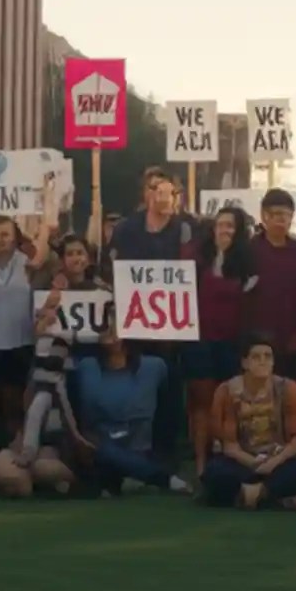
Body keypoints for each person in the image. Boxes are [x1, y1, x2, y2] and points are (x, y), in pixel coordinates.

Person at [106, 170, 191, 468]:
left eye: (169, 190)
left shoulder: (186, 229)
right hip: (134, 325)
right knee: (135, 387)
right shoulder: (127, 229)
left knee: (168, 388)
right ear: (146, 194)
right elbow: (113, 273)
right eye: (156, 189)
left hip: (173, 328)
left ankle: (166, 455)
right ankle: (133, 452)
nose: (163, 195)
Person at [0, 198, 52, 486]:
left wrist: (47, 205)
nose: (0, 239)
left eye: (5, 234)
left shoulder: (26, 263)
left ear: (15, 236)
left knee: (15, 408)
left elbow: (42, 253)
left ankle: (14, 462)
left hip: (19, 345)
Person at [201, 334, 296, 510]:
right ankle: (276, 497)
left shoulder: (288, 389)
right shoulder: (227, 391)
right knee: (214, 472)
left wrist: (273, 462)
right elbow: (229, 445)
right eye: (256, 357)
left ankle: (252, 494)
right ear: (245, 363)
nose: (263, 362)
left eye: (268, 357)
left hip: (279, 461)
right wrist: (254, 463)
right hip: (243, 461)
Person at [0, 292, 91, 498]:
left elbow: (63, 411)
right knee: (7, 472)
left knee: (43, 467)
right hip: (27, 443)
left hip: (54, 447)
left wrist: (76, 438)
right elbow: (30, 415)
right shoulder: (33, 379)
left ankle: (64, 482)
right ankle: (36, 485)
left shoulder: (71, 378)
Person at [76, 318, 191, 496]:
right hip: (99, 448)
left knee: (128, 458)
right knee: (103, 450)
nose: (112, 333)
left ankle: (138, 475)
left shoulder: (155, 366)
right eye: (107, 327)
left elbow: (171, 408)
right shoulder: (85, 367)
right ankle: (163, 479)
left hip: (140, 447)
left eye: (116, 326)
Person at [182, 206, 255, 477]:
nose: (224, 230)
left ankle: (229, 461)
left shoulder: (247, 264)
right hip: (200, 340)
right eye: (220, 225)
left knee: (228, 405)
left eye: (231, 226)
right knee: (201, 404)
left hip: (231, 342)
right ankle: (201, 465)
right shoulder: (198, 260)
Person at [243, 189, 296, 390]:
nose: (281, 220)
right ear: (264, 216)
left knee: (293, 400)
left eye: (286, 215)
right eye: (275, 214)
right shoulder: (247, 250)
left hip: (293, 342)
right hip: (256, 343)